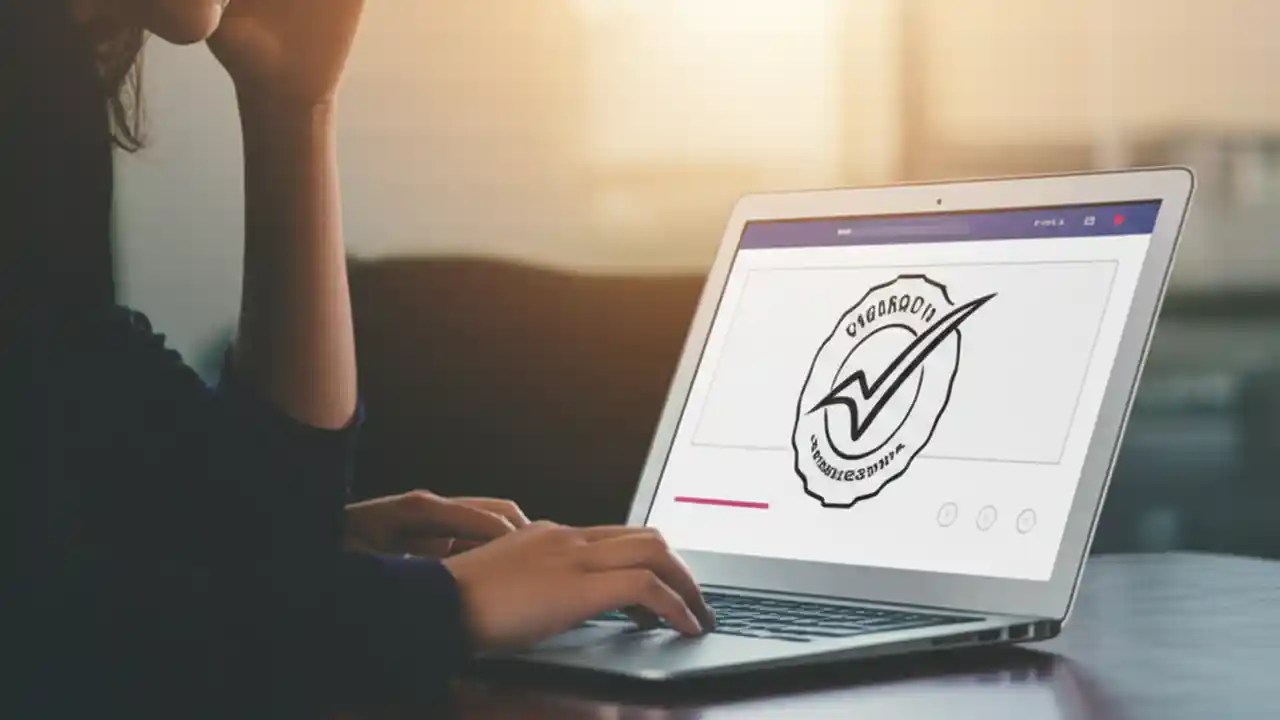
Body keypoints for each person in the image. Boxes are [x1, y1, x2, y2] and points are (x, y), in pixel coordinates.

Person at [1, 0, 714, 715]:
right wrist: (442, 603)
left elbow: (259, 527)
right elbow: (62, 640)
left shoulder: (46, 77)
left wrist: (293, 104)